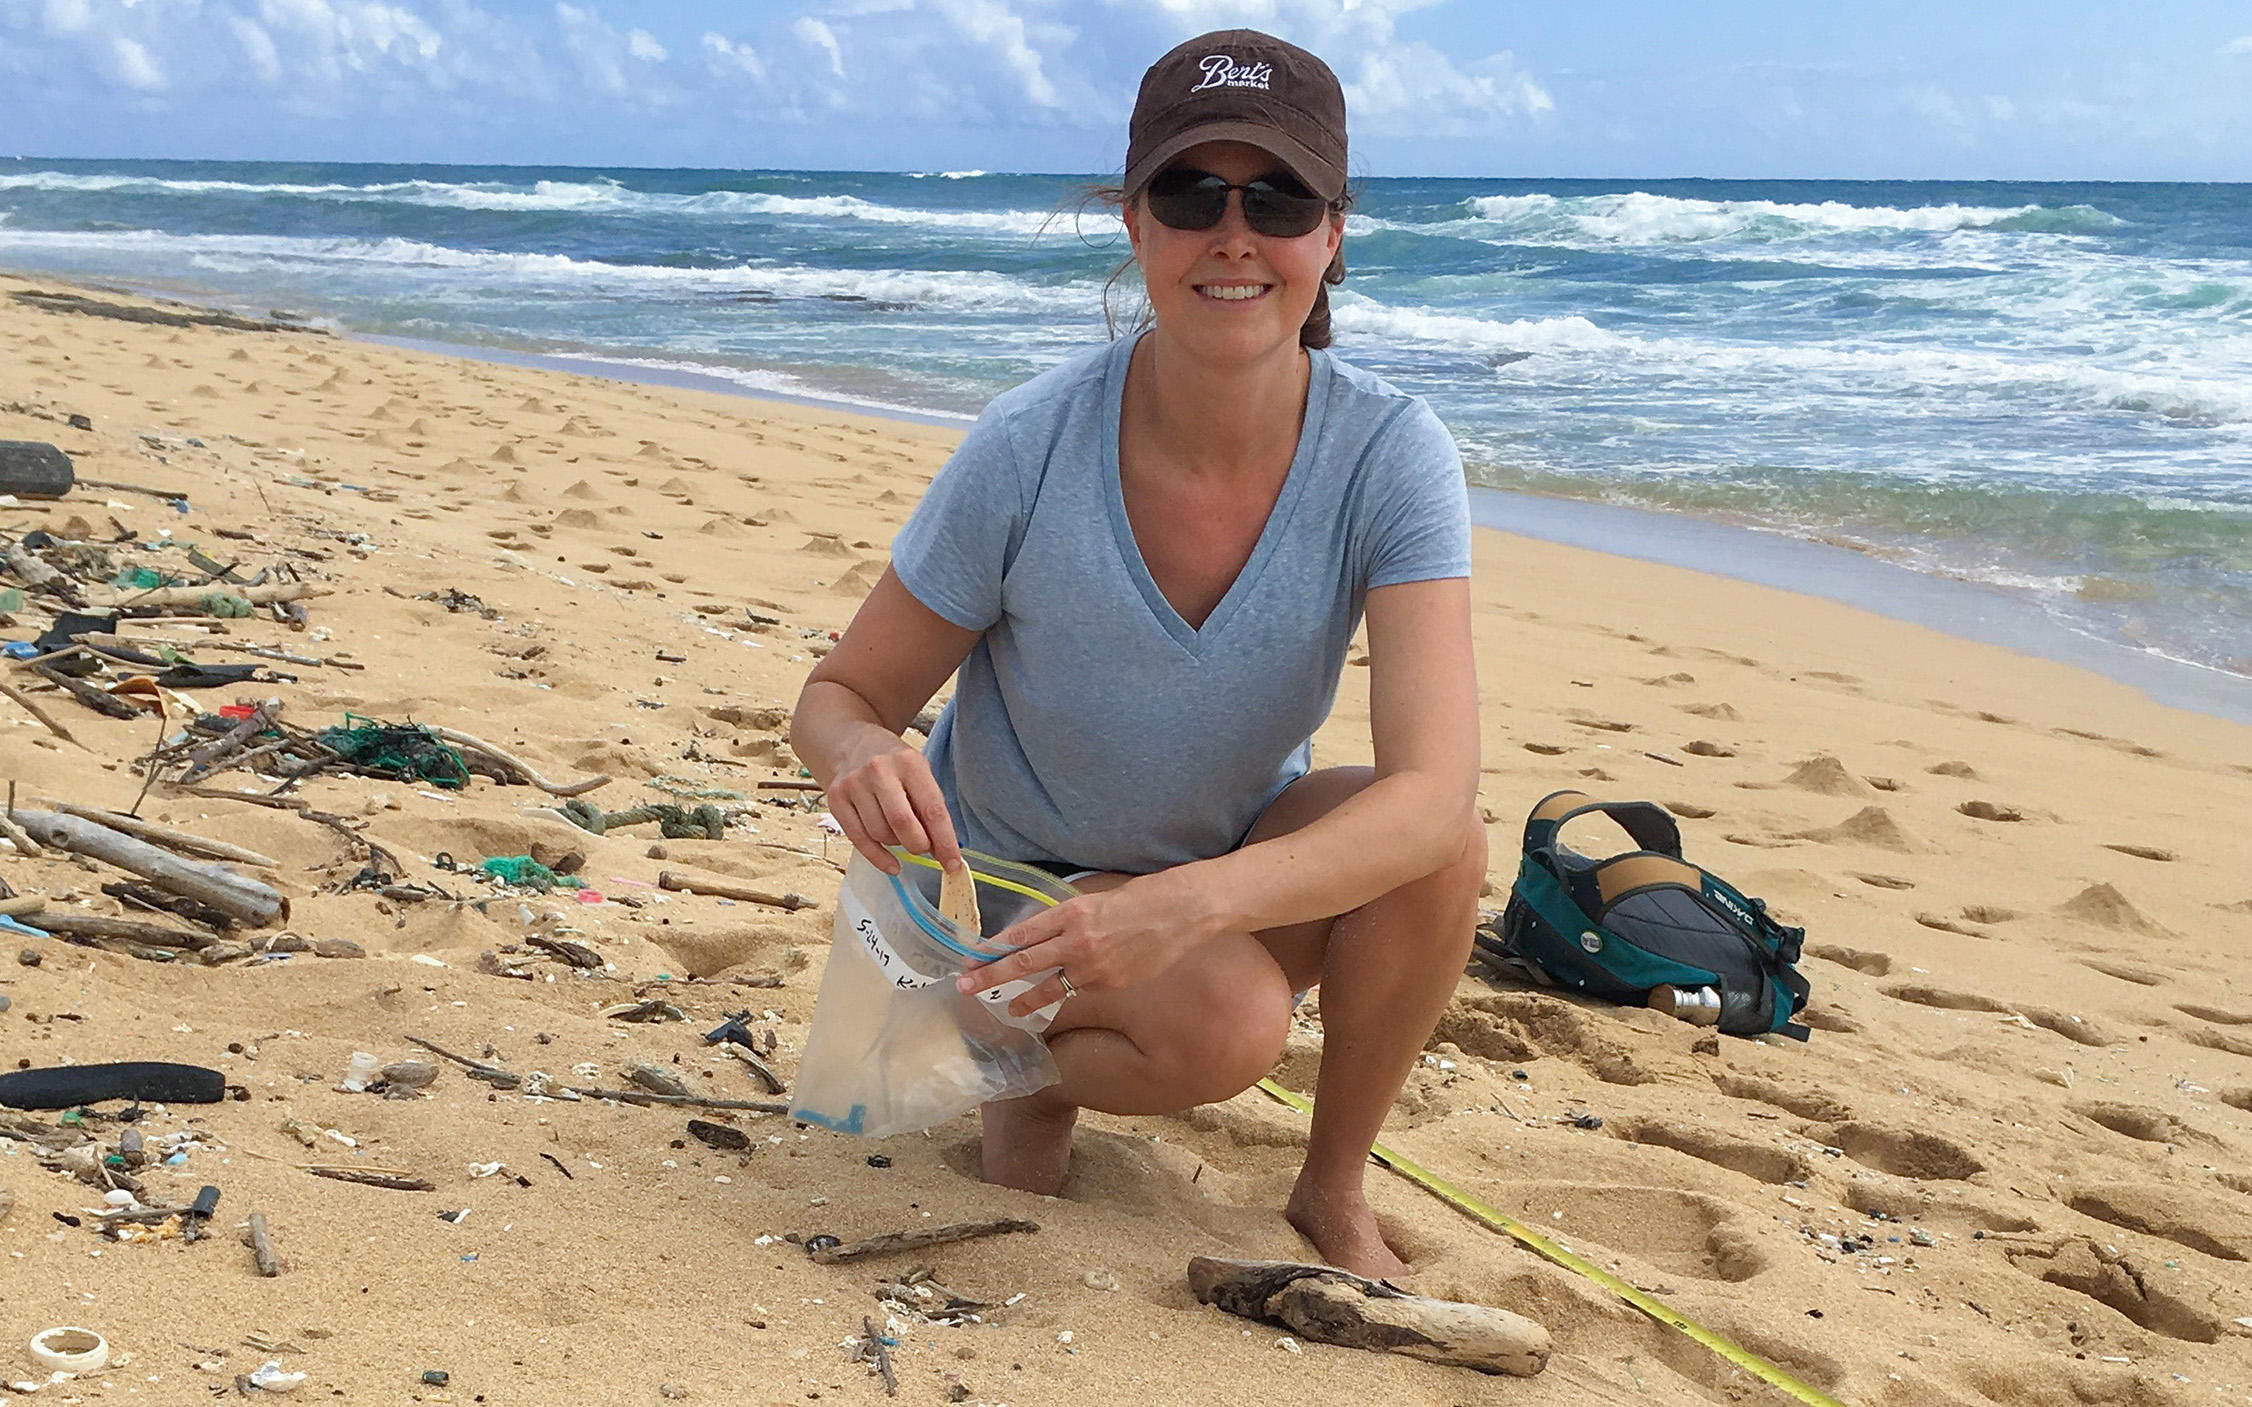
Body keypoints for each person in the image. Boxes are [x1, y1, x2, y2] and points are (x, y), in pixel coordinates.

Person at [790, 28, 1481, 1279]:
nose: (1232, 234)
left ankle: (1331, 1192)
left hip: (1214, 869)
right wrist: (857, 756)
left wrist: (1188, 902)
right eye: (1188, 194)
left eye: (1275, 198)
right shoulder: (1027, 445)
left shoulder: (1391, 451)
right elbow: (843, 694)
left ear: (1330, 233)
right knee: (1230, 1027)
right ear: (1132, 222)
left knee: (1441, 854)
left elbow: (1433, 794)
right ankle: (1009, 1065)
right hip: (1017, 895)